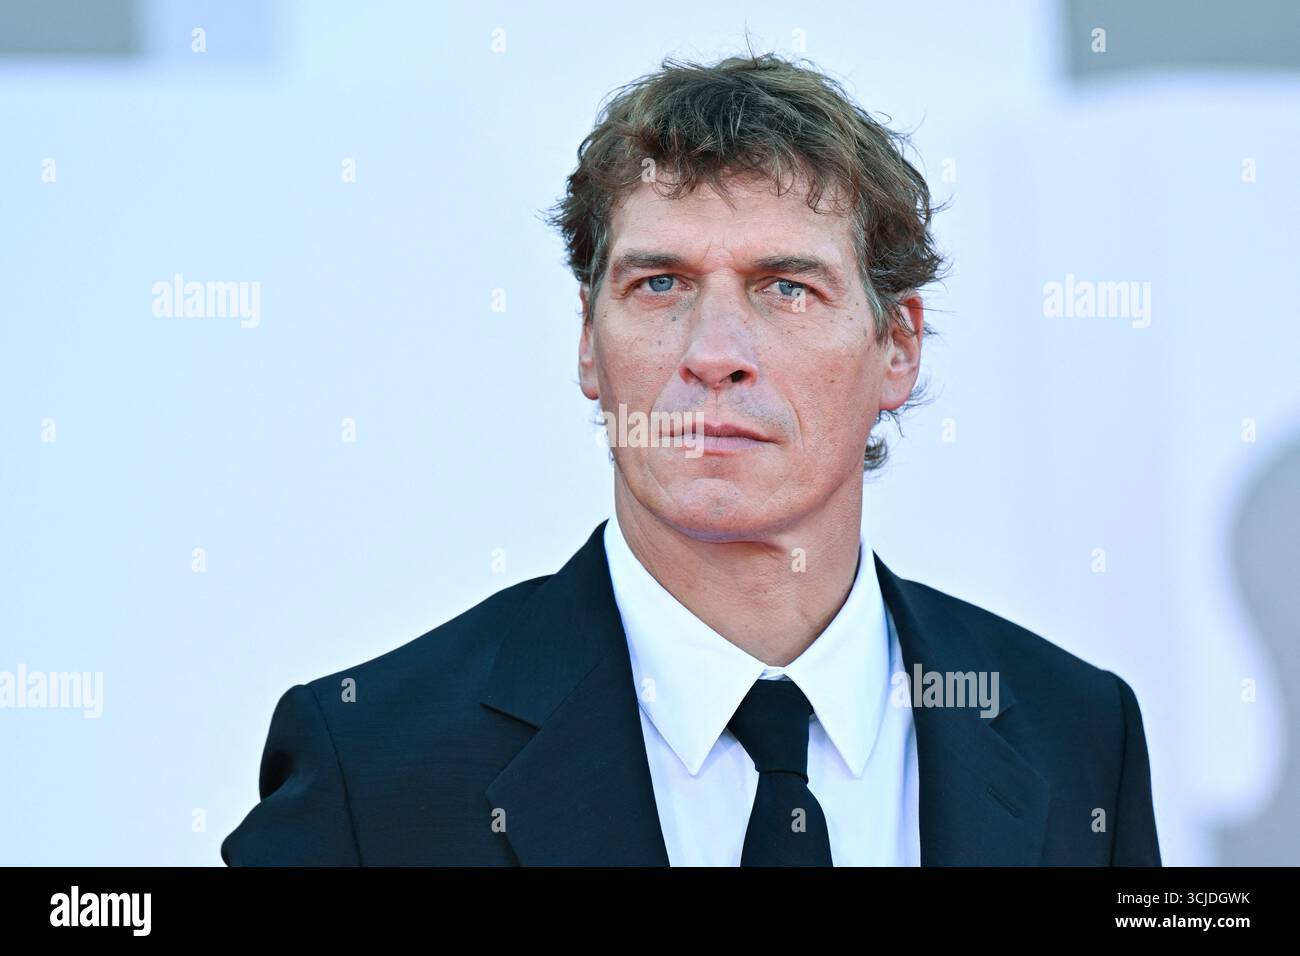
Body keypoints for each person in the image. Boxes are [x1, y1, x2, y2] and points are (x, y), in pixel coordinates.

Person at [221, 50, 1160, 866]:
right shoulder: (372, 761)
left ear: (898, 348)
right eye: (661, 283)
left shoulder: (1079, 733)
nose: (714, 353)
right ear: (588, 343)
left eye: (785, 288)